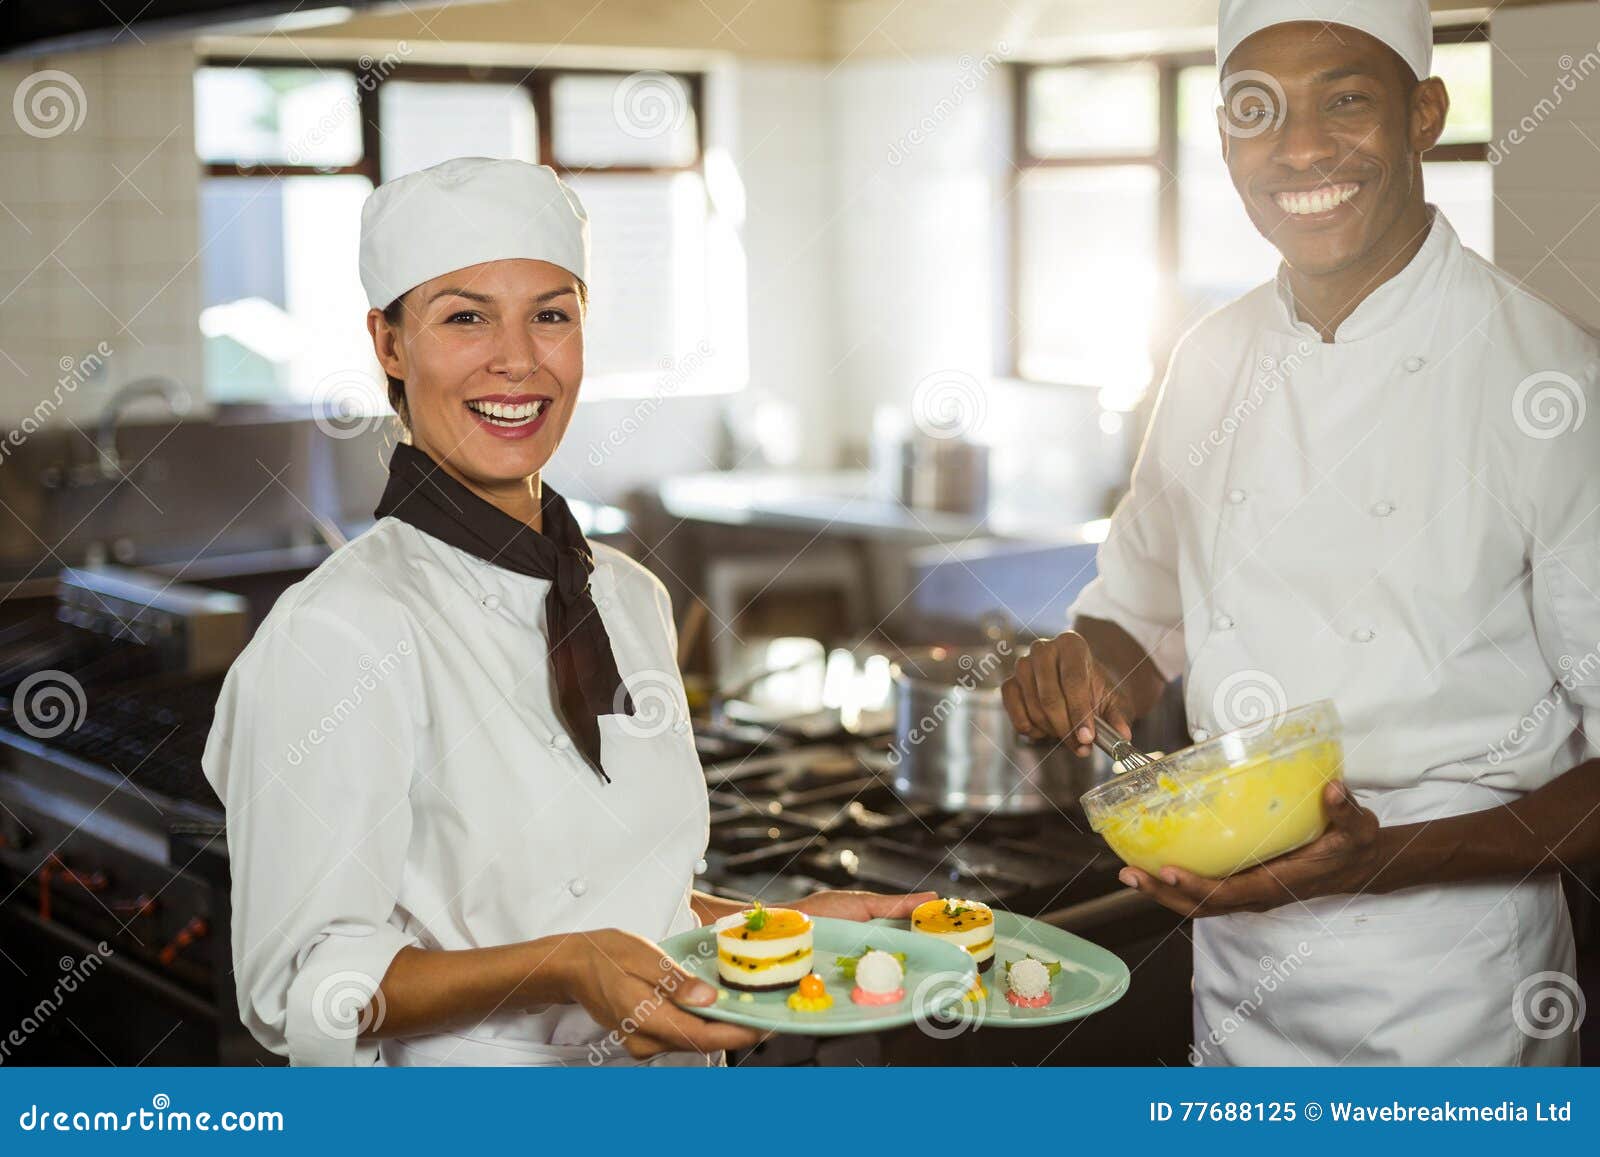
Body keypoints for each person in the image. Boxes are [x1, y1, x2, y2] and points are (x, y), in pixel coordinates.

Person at [203, 157, 931, 1067]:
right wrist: (560, 968)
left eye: (552, 314)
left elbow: (614, 905)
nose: (518, 358)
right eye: (465, 317)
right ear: (389, 346)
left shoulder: (627, 596)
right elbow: (306, 984)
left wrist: (780, 928)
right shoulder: (341, 629)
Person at [1003, 0, 1600, 1065]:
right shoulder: (1209, 359)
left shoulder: (1547, 378)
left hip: (1454, 993)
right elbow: (1134, 623)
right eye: (1254, 110)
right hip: (1237, 982)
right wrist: (1077, 669)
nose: (1300, 149)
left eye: (1346, 100)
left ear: (1425, 114)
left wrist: (1381, 860)